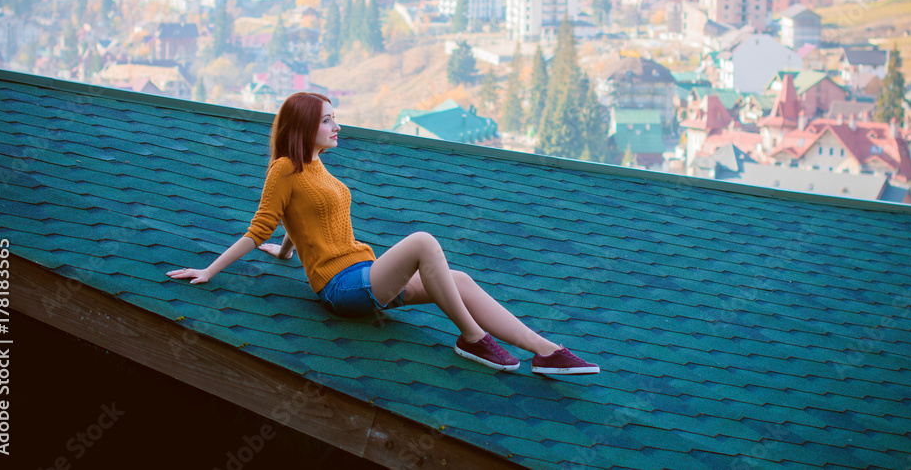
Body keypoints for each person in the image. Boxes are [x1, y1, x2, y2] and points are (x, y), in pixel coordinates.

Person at [168, 92, 598, 375]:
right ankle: (473, 340)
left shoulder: (317, 168)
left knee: (461, 280)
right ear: (303, 127)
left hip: (366, 274)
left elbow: (299, 222)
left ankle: (546, 352)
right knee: (423, 242)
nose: (338, 127)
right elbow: (262, 223)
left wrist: (283, 254)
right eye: (328, 121)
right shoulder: (285, 168)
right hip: (342, 288)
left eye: (336, 119)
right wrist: (209, 271)